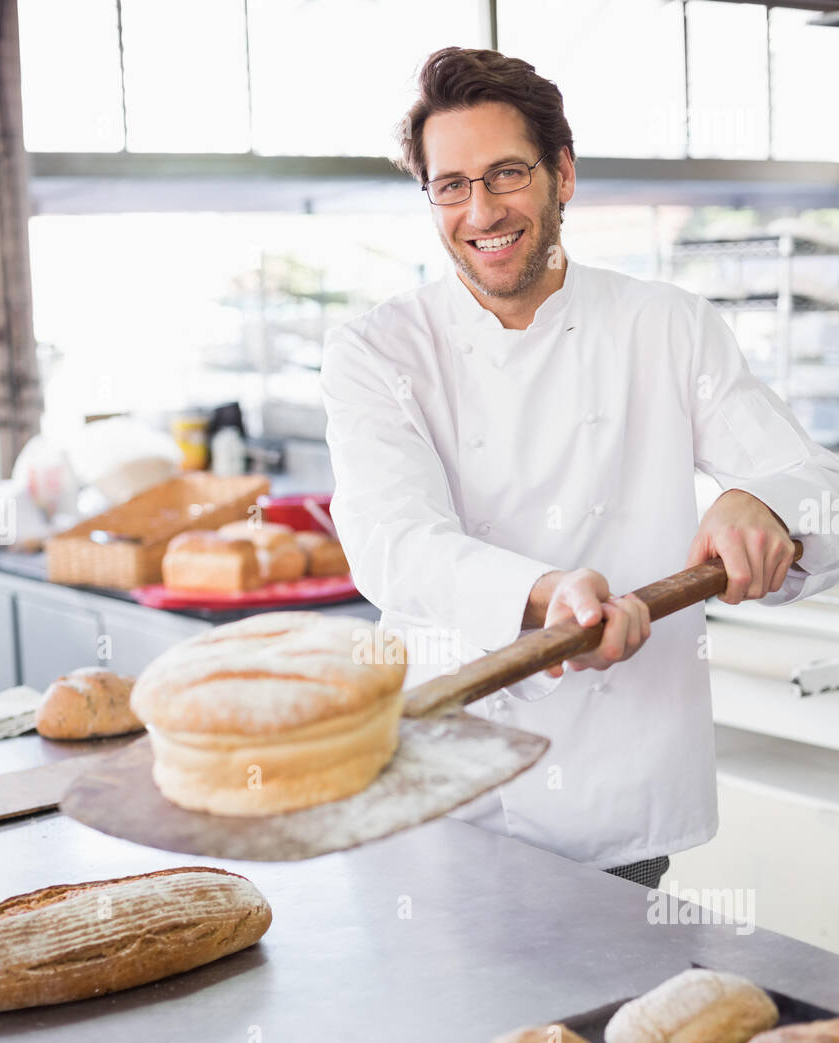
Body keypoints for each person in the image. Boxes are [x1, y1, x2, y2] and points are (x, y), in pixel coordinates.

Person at [320, 47, 839, 890]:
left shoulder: (667, 327)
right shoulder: (377, 350)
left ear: (562, 173)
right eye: (450, 185)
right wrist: (544, 592)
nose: (481, 210)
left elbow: (821, 487)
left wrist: (765, 502)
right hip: (444, 795)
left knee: (620, 981)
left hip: (614, 799)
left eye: (507, 174)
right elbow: (393, 543)